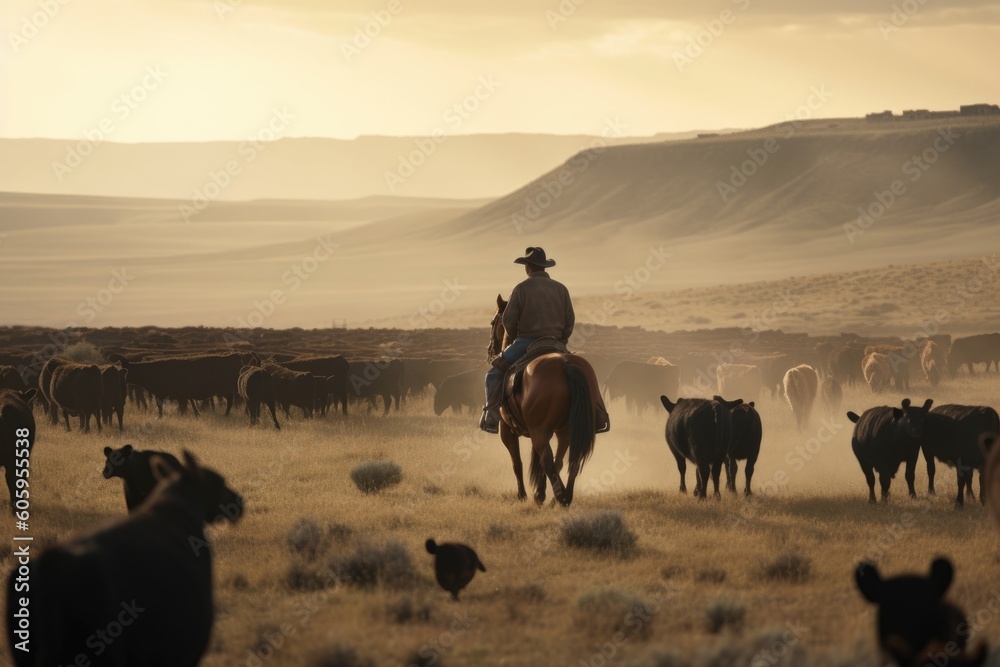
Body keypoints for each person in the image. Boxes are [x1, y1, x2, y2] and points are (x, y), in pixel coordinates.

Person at [480, 247, 574, 433]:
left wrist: (515, 336)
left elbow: (508, 319)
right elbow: (569, 319)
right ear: (544, 267)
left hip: (526, 342)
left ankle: (491, 418)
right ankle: (597, 414)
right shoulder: (561, 289)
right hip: (556, 343)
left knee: (493, 375)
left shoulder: (522, 288)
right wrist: (562, 339)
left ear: (527, 267)